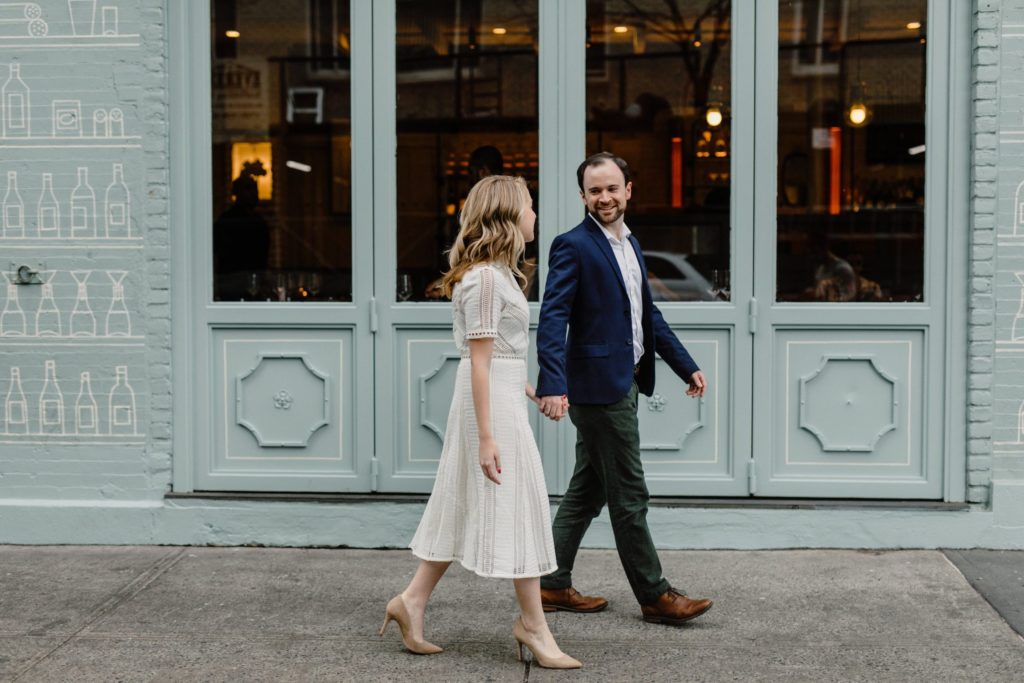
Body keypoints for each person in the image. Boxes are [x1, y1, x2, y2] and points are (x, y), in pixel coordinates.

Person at [381, 175, 581, 670]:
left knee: (463, 502)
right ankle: (532, 625)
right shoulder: (487, 280)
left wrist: (532, 391)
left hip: (501, 400)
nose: (535, 215)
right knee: (521, 505)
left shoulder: (498, 275)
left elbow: (502, 357)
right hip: (489, 411)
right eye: (530, 207)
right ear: (509, 216)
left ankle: (411, 601)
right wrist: (487, 437)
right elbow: (478, 361)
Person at [534, 152, 714, 626]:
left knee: (587, 491)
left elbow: (646, 315)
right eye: (595, 190)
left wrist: (684, 365)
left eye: (612, 188)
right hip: (597, 390)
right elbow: (553, 318)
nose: (605, 197)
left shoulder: (631, 245)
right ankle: (655, 595)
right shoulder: (571, 245)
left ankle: (550, 583)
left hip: (627, 380)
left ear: (629, 189)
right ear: (582, 196)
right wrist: (552, 381)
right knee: (629, 494)